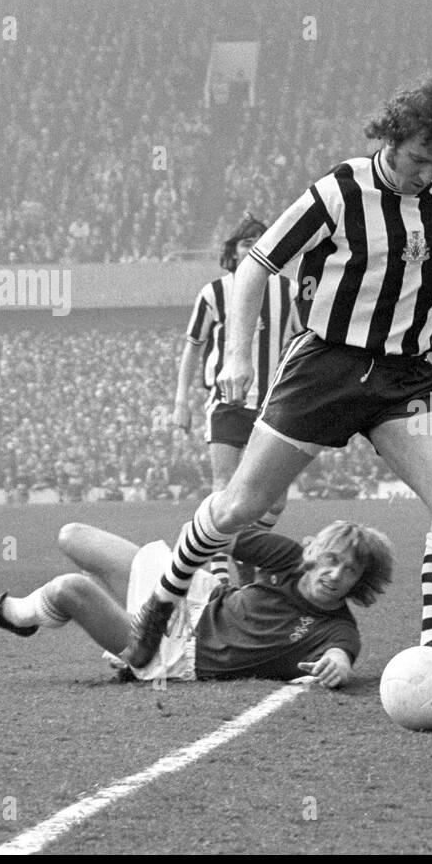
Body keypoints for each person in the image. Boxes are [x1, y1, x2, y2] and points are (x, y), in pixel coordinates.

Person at [123, 76, 432, 699]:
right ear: (390, 140)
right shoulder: (338, 191)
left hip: (405, 375)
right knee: (240, 506)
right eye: (418, 160)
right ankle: (163, 601)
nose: (426, 174)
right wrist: (237, 355)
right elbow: (255, 266)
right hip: (326, 366)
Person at [0, 520, 393, 690]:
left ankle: (16, 613)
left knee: (71, 589)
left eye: (350, 570)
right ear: (315, 552)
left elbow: (341, 656)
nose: (335, 574)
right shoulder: (289, 559)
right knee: (72, 536)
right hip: (196, 594)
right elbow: (211, 534)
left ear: (361, 581)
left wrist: (338, 667)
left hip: (179, 650)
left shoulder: (338, 629)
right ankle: (104, 617)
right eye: (331, 559)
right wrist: (210, 553)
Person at [171, 214, 304, 585]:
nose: (255, 247)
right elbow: (193, 346)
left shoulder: (289, 292)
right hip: (227, 402)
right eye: (247, 242)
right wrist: (181, 401)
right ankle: (220, 580)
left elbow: (304, 339)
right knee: (225, 491)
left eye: (261, 240)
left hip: (274, 405)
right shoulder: (213, 293)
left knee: (274, 500)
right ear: (233, 251)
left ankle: (242, 549)